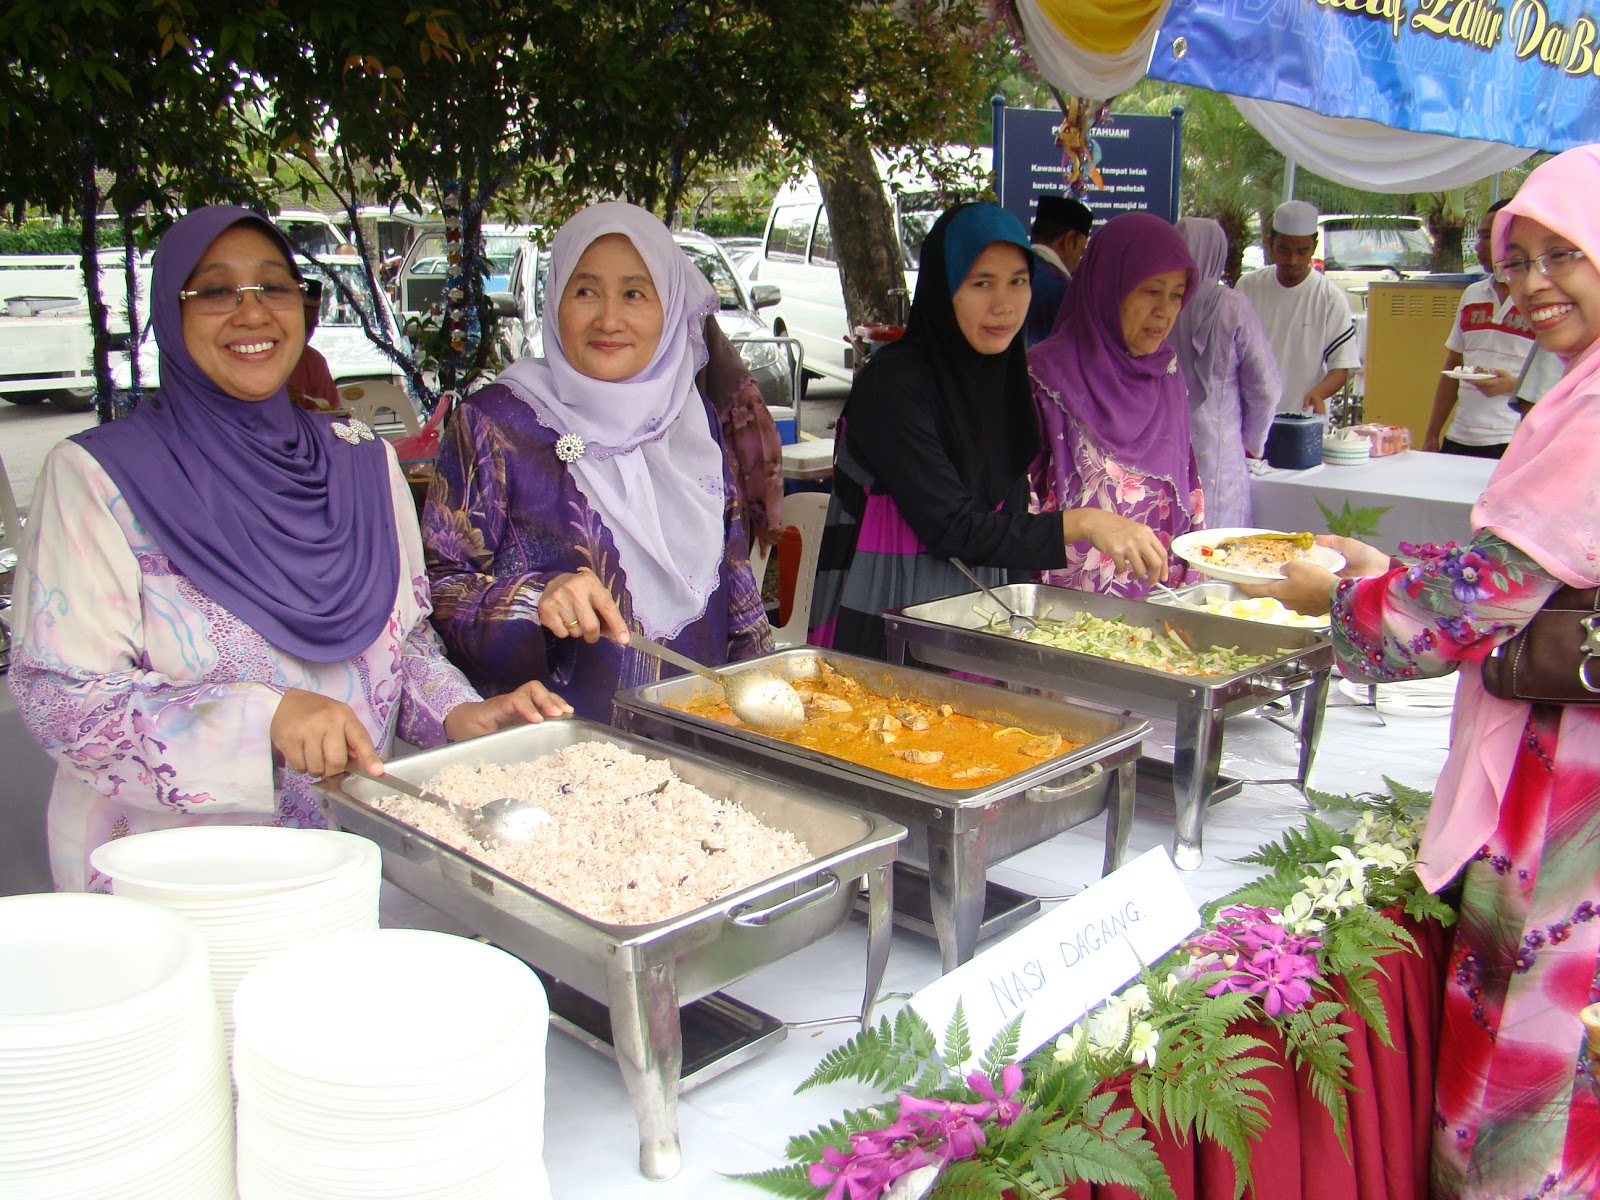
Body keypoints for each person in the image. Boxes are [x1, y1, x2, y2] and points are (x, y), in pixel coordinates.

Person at [5, 206, 569, 892]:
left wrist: (457, 712)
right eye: (216, 290)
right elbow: (63, 699)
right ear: (171, 314)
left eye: (273, 287)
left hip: (344, 864)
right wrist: (262, 721)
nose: (252, 313)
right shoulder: (100, 479)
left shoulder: (362, 464)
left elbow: (405, 645)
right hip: (176, 885)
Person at [1253, 145, 1600, 1198]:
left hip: (1568, 793)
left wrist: (1337, 598)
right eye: (1516, 261)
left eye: (1563, 255)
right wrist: (1392, 574)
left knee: (1526, 1079)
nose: (1532, 284)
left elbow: (1471, 603)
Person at [423, 202, 774, 720]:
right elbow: (437, 593)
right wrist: (535, 597)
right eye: (585, 291)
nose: (609, 319)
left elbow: (739, 595)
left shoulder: (693, 420)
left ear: (670, 308)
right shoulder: (495, 423)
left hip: (701, 737)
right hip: (559, 747)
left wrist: (770, 700)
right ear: (555, 299)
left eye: (635, 294)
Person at [808, 202, 1166, 658]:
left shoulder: (1004, 378)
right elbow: (952, 527)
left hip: (983, 611)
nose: (1003, 305)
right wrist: (1086, 523)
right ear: (945, 287)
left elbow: (1005, 510)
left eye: (1018, 281)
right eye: (981, 283)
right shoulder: (893, 385)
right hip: (890, 613)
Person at [1029, 210, 1202, 598]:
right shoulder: (1044, 378)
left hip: (1156, 602)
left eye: (1176, 295)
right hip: (1062, 610)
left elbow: (1188, 496)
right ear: (1110, 286)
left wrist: (1188, 594)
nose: (1164, 311)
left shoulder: (1167, 375)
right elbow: (1015, 514)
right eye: (1151, 291)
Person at [1423, 199, 1558, 457]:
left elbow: (1559, 385)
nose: (1478, 245)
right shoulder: (1472, 294)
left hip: (1510, 440)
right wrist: (1432, 433)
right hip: (1459, 436)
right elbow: (1453, 364)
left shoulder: (1541, 302)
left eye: (1487, 236)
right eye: (1480, 236)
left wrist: (1512, 386)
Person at [1171, 217, 1280, 529]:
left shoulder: (1157, 300)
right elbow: (1265, 388)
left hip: (1163, 443)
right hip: (1218, 449)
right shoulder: (1231, 305)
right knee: (1216, 543)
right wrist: (1253, 443)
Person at [1235, 200, 1361, 414]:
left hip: (1303, 420)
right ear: (1270, 244)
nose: (1293, 260)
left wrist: (1318, 393)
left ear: (1314, 247)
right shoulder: (1248, 287)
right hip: (1250, 417)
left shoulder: (1330, 298)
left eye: (1302, 252)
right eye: (1284, 250)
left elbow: (1341, 366)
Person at [1023, 194, 1093, 347]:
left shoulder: (1011, 274)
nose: (1079, 261)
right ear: (1068, 240)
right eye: (1081, 251)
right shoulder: (1066, 292)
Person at [286, 277, 338, 412]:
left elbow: (332, 413)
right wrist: (275, 401)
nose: (305, 334)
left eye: (311, 327)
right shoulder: (254, 356)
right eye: (300, 325)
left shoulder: (314, 361)